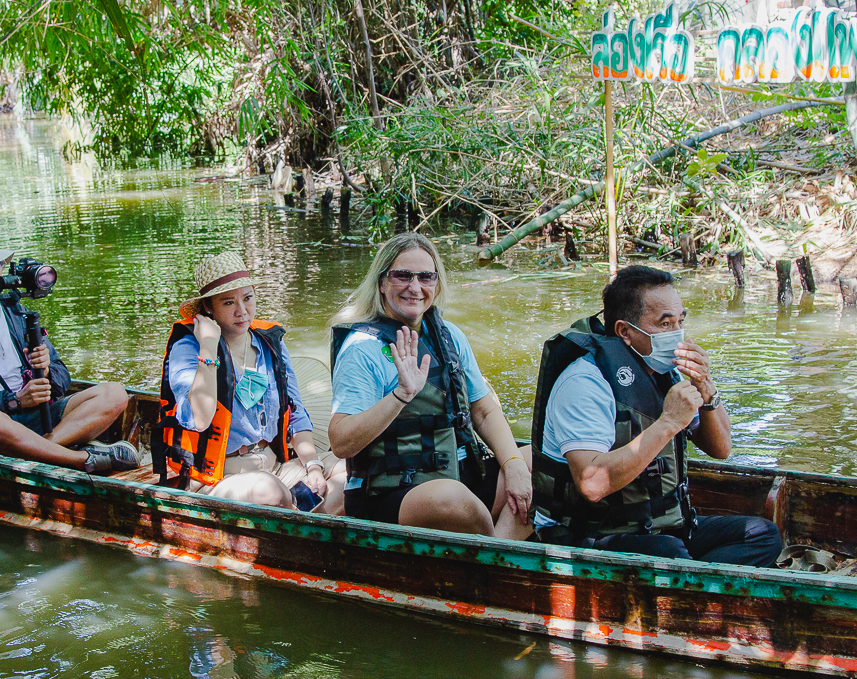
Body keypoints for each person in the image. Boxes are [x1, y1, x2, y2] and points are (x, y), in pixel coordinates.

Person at [531, 265, 783, 566]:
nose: (677, 335)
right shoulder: (585, 382)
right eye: (665, 324)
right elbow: (592, 484)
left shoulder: (664, 374)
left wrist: (706, 387)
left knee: (761, 535)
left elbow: (721, 449)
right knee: (671, 555)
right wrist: (669, 422)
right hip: (590, 533)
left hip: (660, 526)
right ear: (625, 331)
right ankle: (692, 580)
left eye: (680, 322)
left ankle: (691, 581)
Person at [328, 233, 533, 539]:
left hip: (463, 474)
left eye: (425, 277)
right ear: (382, 282)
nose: (415, 287)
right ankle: (493, 550)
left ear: (436, 285)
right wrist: (400, 395)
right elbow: (341, 443)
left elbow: (484, 412)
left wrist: (514, 466)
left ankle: (497, 549)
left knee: (547, 464)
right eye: (402, 276)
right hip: (395, 493)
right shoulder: (362, 349)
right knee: (452, 499)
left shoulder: (449, 337)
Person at [0, 224, 135, 474]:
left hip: (32, 416)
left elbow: (62, 379)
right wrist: (15, 402)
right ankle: (80, 459)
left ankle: (41, 450)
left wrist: (46, 371)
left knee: (114, 393)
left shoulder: (14, 311)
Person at [155, 250, 346, 513]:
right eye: (228, 303)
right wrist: (208, 347)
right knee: (269, 490)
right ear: (208, 307)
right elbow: (199, 419)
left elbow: (295, 410)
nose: (242, 311)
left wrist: (313, 466)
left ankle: (303, 519)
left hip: (275, 466)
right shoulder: (189, 347)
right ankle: (298, 514)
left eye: (247, 298)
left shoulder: (269, 343)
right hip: (216, 478)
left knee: (353, 471)